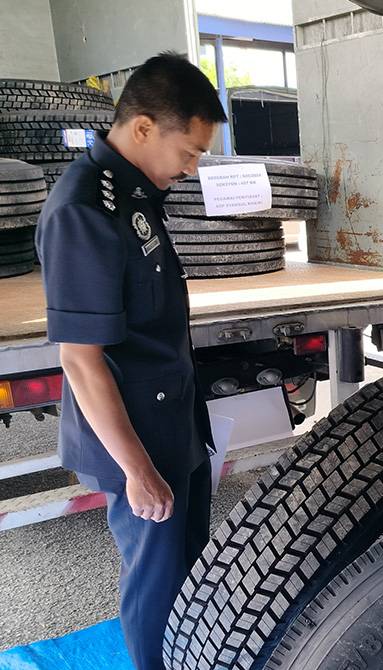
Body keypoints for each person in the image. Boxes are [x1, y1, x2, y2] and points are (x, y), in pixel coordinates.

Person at [35, 52, 226, 670]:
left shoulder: (136, 192)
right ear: (143, 128)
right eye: (190, 151)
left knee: (191, 572)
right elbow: (80, 359)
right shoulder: (84, 209)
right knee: (156, 585)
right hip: (136, 438)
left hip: (172, 422)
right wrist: (138, 470)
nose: (192, 168)